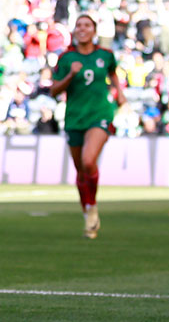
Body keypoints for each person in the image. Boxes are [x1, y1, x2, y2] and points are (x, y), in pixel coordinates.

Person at [50, 14, 126, 240]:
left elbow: (112, 74)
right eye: (79, 25)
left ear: (94, 30)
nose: (83, 29)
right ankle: (87, 212)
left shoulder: (106, 55)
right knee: (81, 172)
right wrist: (71, 75)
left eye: (87, 25)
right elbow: (54, 91)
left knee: (88, 161)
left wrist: (119, 93)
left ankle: (91, 207)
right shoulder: (66, 58)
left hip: (100, 114)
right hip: (75, 117)